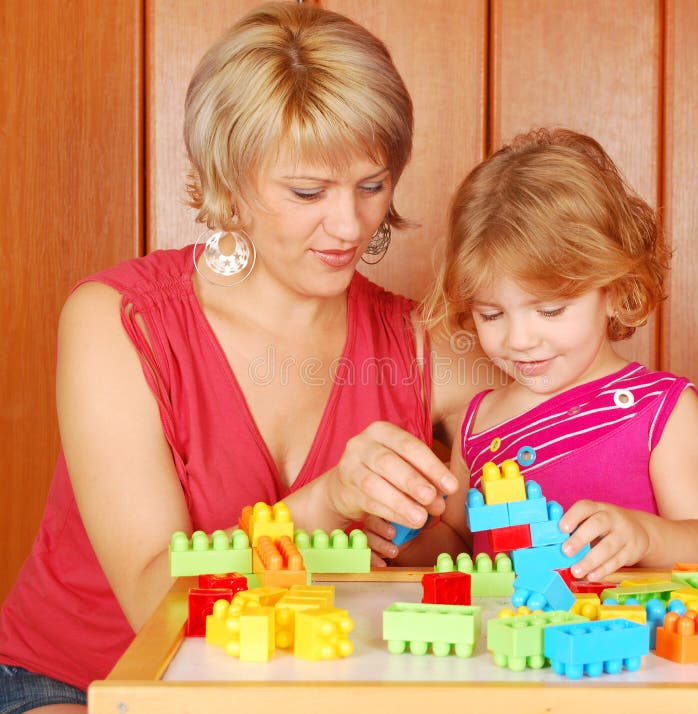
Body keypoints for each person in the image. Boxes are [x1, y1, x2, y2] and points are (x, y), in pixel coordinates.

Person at [0, 3, 491, 710]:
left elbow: (569, 422)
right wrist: (329, 502)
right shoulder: (118, 321)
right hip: (87, 682)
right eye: (307, 191)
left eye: (372, 185)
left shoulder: (419, 342)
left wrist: (448, 529)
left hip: (300, 690)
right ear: (228, 183)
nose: (349, 223)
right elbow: (154, 604)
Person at [393, 127, 698, 581]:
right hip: (509, 647)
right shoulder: (480, 420)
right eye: (492, 315)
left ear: (616, 291)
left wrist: (645, 535)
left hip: (633, 644)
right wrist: (409, 536)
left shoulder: (662, 410)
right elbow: (463, 545)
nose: (519, 340)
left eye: (550, 310)